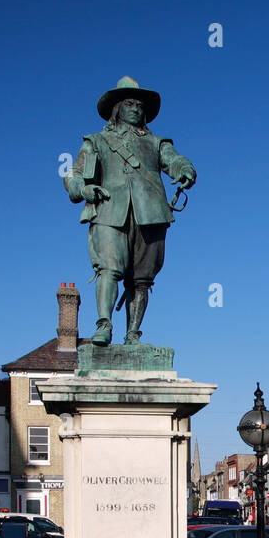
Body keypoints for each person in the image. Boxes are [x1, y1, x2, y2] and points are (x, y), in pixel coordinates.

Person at [63, 76, 197, 346]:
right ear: (117, 108)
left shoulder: (157, 143)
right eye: (129, 104)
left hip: (150, 215)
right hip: (109, 210)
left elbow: (175, 160)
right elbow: (73, 175)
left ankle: (133, 334)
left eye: (139, 105)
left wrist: (185, 170)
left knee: (142, 279)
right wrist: (84, 190)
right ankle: (104, 325)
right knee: (109, 268)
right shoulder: (97, 141)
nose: (136, 108)